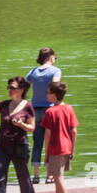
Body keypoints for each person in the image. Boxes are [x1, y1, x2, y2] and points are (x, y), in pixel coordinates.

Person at [41, 82, 78, 193]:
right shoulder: (69, 108)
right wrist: (73, 149)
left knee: (59, 179)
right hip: (67, 147)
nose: (46, 94)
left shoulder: (50, 112)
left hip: (56, 149)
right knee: (57, 179)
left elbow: (47, 135)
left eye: (48, 92)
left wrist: (46, 154)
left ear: (54, 95)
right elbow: (73, 131)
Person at [26, 47, 61, 183]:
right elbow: (56, 86)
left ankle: (35, 176)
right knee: (50, 143)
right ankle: (49, 175)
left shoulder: (33, 71)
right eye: (55, 58)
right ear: (51, 57)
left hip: (35, 111)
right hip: (49, 110)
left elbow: (24, 84)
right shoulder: (55, 70)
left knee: (37, 143)